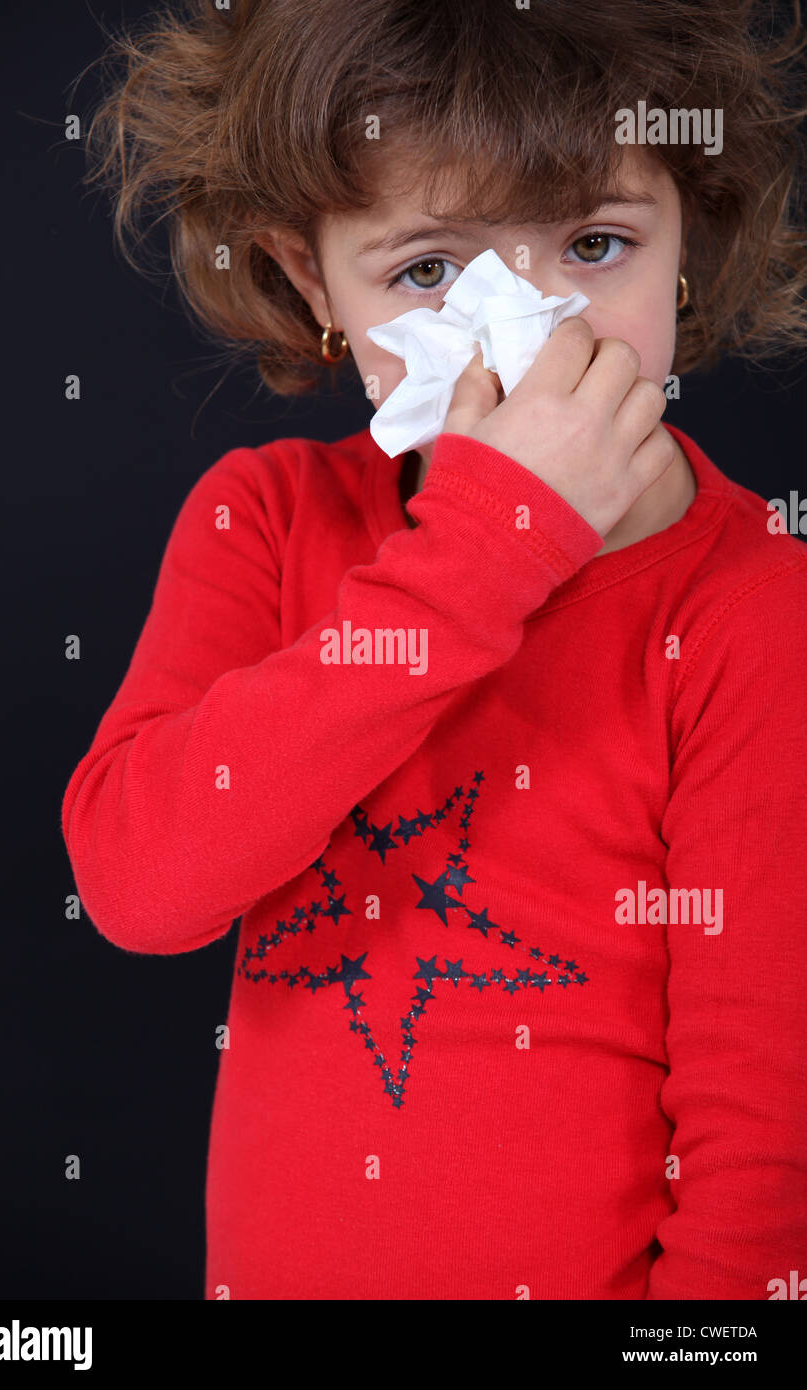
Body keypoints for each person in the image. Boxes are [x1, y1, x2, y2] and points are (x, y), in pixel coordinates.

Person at [62, 0, 807, 1299]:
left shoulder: (751, 603)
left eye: (592, 242)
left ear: (690, 228)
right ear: (312, 282)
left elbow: (766, 1128)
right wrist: (484, 547)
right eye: (426, 272)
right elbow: (140, 879)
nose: (539, 335)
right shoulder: (267, 523)